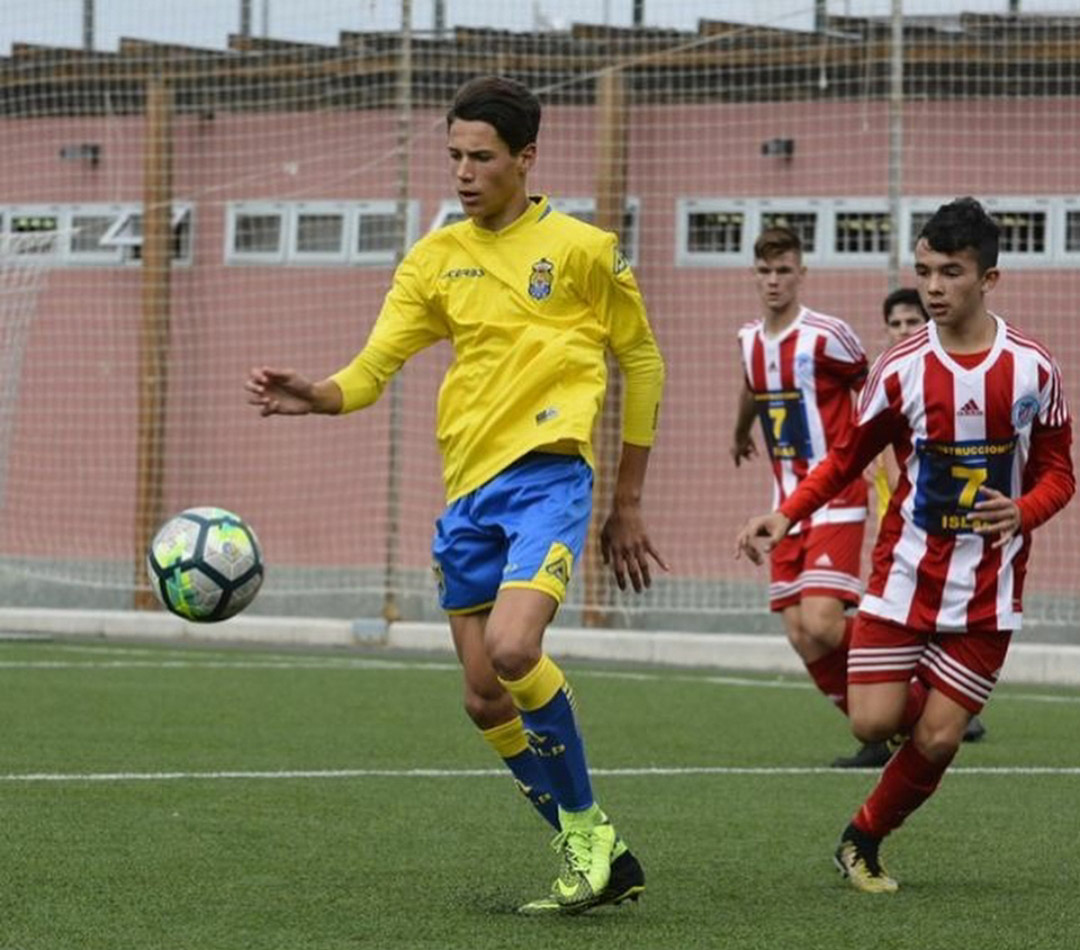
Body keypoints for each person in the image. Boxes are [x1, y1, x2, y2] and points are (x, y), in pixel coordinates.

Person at [246, 76, 667, 915]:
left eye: (481, 158)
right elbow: (373, 369)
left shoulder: (585, 250)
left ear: (526, 158)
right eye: (454, 157)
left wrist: (627, 502)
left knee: (513, 649)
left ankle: (585, 833)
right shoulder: (434, 260)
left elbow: (643, 363)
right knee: (482, 695)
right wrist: (318, 395)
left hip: (550, 477)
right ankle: (600, 850)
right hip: (469, 493)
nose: (464, 174)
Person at [736, 197, 1074, 893]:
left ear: (989, 279)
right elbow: (846, 458)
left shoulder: (1033, 368)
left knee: (941, 737)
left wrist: (1024, 511)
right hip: (905, 576)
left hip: (990, 587)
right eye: (924, 272)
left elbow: (1059, 473)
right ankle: (936, 698)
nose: (933, 288)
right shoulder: (900, 368)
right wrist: (787, 514)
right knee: (871, 721)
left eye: (951, 272)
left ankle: (862, 838)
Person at [831, 288, 986, 769]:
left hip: (935, 536)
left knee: (910, 624)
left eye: (910, 322)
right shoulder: (889, 378)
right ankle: (917, 714)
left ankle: (940, 708)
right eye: (894, 324)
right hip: (894, 535)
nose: (902, 330)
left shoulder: (934, 382)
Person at [731, 227, 869, 758]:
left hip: (836, 494)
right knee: (799, 632)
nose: (774, 281)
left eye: (783, 270)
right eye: (765, 271)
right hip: (784, 503)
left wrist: (883, 456)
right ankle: (876, 728)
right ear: (753, 275)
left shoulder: (827, 334)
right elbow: (752, 385)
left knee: (822, 623)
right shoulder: (749, 339)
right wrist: (740, 432)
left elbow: (869, 386)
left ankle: (916, 675)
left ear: (801, 274)